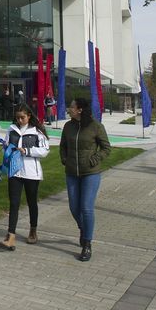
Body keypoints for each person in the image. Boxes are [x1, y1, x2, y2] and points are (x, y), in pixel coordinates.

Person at [59, 98, 111, 262]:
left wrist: (95, 159)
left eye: (71, 107)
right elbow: (63, 146)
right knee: (74, 207)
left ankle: (87, 244)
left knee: (86, 208)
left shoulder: (95, 126)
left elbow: (106, 148)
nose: (69, 109)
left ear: (79, 110)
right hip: (72, 173)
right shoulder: (68, 126)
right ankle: (83, 228)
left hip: (90, 173)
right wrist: (65, 159)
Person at [0, 104, 50, 250]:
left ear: (29, 116)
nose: (20, 120)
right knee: (14, 203)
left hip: (31, 172)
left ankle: (33, 230)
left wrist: (27, 151)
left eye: (22, 117)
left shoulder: (37, 131)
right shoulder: (11, 129)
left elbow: (45, 150)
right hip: (14, 172)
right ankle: (10, 236)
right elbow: (6, 144)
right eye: (17, 118)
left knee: (31, 202)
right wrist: (6, 149)